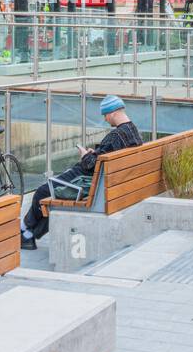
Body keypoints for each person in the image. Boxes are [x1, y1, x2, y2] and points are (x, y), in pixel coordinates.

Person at [20, 95, 143, 250]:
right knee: (50, 196)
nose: (105, 119)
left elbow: (91, 165)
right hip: (111, 184)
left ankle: (24, 229)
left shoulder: (115, 135)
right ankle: (27, 235)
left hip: (87, 181)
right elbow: (106, 157)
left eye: (105, 115)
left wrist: (85, 154)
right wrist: (96, 153)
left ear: (112, 113)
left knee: (42, 192)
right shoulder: (134, 132)